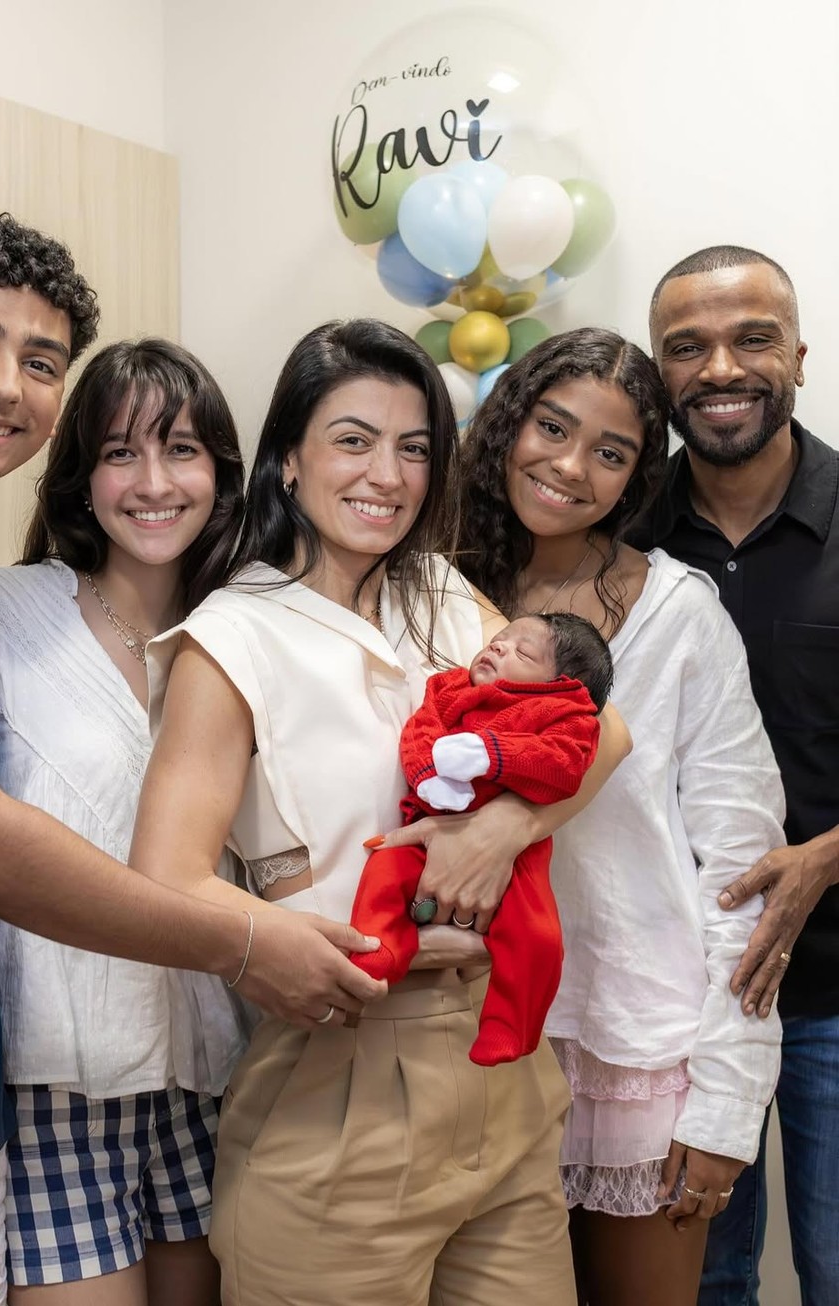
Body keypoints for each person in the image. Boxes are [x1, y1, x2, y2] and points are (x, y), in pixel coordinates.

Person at [0, 210, 383, 1305]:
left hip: (74, 1098)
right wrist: (248, 940)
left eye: (39, 362)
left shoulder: (246, 621)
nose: (4, 383)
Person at [131, 318, 632, 1306]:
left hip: (505, 1067)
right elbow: (163, 880)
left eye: (414, 448)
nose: (388, 475)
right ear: (288, 460)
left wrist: (498, 831)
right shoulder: (231, 637)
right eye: (353, 439)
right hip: (343, 1070)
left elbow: (601, 733)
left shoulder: (440, 592)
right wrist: (323, 949)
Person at [457, 326, 785, 1306]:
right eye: (552, 427)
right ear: (508, 421)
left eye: (611, 451)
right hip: (458, 1038)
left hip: (632, 1044)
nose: (569, 466)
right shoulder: (427, 584)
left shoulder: (678, 611)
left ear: (640, 477)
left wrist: (725, 1104)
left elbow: (741, 863)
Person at [0, 338, 251, 1303]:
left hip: (219, 1065)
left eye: (181, 450)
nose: (154, 483)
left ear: (221, 469)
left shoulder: (246, 626)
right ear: (80, 477)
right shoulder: (0, 613)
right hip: (57, 1071)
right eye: (119, 453)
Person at [640, 245, 839, 1305]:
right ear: (658, 371)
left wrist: (824, 857)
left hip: (838, 993)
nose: (721, 366)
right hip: (674, 998)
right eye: (687, 346)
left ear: (799, 353)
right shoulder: (616, 538)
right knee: (698, 1282)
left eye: (752, 336)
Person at [349, 611, 610, 1066]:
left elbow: (563, 767)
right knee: (385, 866)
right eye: (501, 639)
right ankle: (381, 947)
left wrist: (492, 755)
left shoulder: (567, 713)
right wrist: (426, 774)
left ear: (560, 683)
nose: (498, 647)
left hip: (518, 852)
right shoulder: (450, 687)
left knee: (539, 936)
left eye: (522, 652)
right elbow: (420, 731)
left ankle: (511, 1027)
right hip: (427, 820)